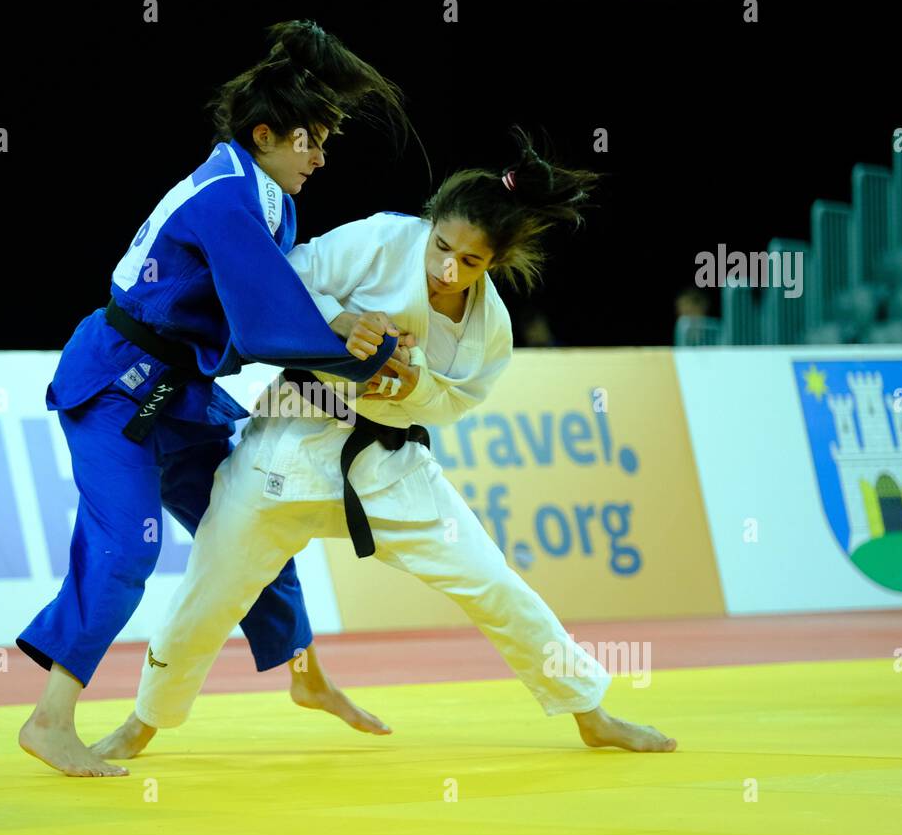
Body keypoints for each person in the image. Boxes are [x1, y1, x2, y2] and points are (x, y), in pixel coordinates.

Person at [94, 127, 678, 759]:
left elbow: (456, 401)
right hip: (287, 444)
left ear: (495, 265)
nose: (446, 266)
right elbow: (282, 278)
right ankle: (142, 723)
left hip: (389, 467)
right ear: (429, 225)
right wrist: (342, 323)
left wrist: (414, 387)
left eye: (471, 262)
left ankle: (589, 711)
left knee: (493, 584)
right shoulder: (380, 239)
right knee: (207, 593)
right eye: (442, 245)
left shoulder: (493, 330)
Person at [17, 20, 421, 777]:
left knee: (252, 514)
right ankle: (49, 720)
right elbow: (267, 321)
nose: (322, 158)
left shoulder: (268, 195)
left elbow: (276, 302)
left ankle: (303, 675)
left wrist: (356, 337)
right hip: (114, 384)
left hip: (182, 393)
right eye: (311, 141)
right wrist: (365, 354)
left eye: (327, 141)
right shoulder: (229, 197)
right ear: (266, 134)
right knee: (129, 546)